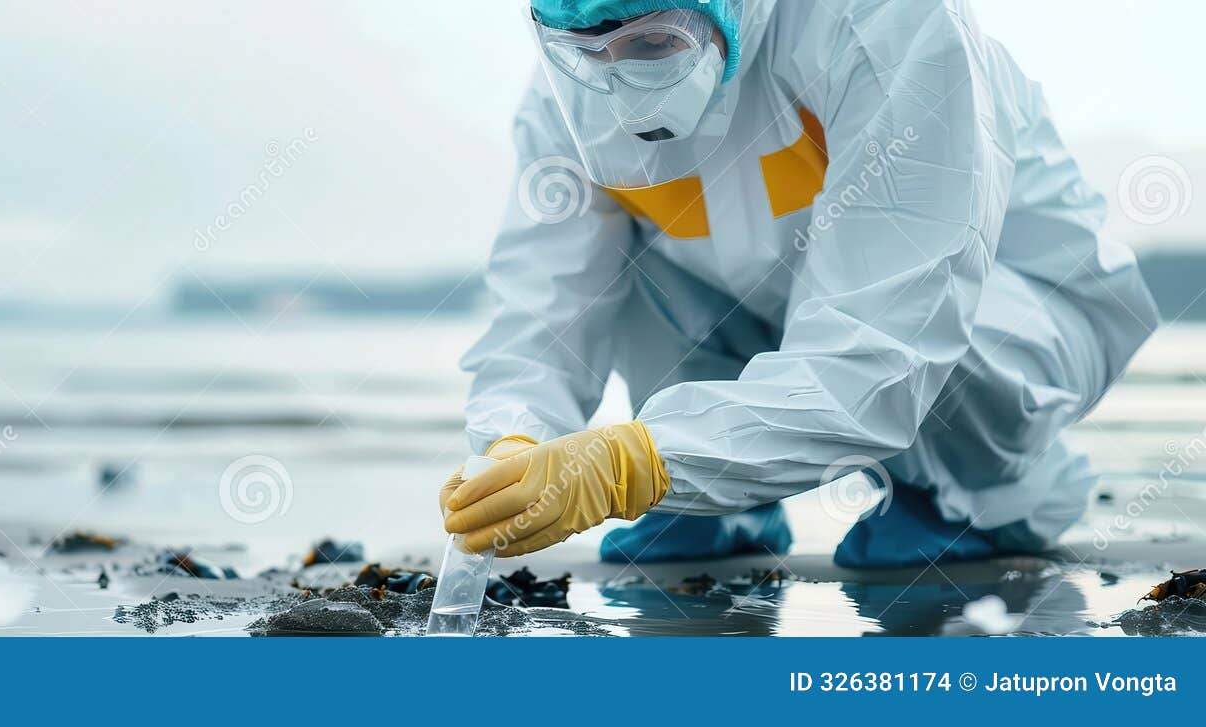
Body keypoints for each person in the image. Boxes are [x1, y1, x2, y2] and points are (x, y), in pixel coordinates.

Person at [441, 0, 1158, 568]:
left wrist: (639, 461)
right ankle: (718, 502)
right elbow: (544, 305)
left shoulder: (882, 24)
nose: (618, 87)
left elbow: (881, 349)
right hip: (766, 304)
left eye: (656, 46)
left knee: (948, 366)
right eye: (586, 48)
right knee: (627, 257)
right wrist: (513, 438)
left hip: (1010, 300)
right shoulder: (583, 65)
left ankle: (982, 494)